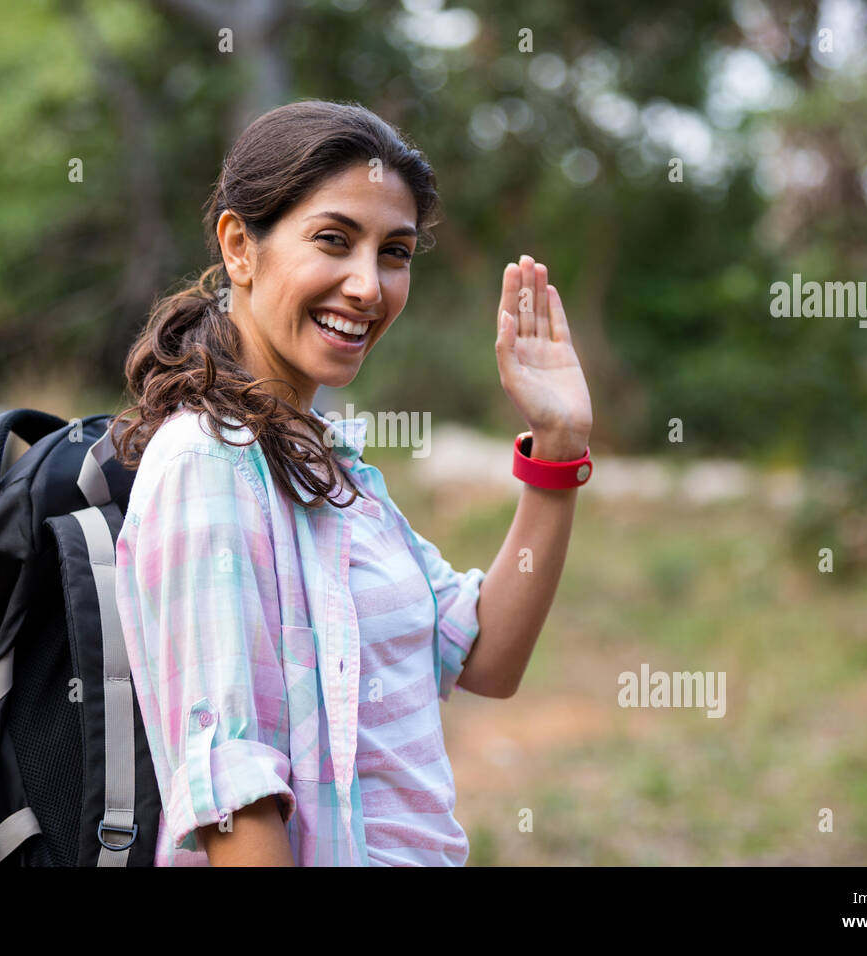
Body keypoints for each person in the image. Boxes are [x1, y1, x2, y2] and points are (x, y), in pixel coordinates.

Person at [110, 99, 593, 866]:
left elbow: (484, 657)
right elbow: (234, 796)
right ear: (241, 246)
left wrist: (560, 447)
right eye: (333, 240)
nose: (368, 287)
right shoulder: (205, 463)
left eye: (394, 253)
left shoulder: (330, 466)